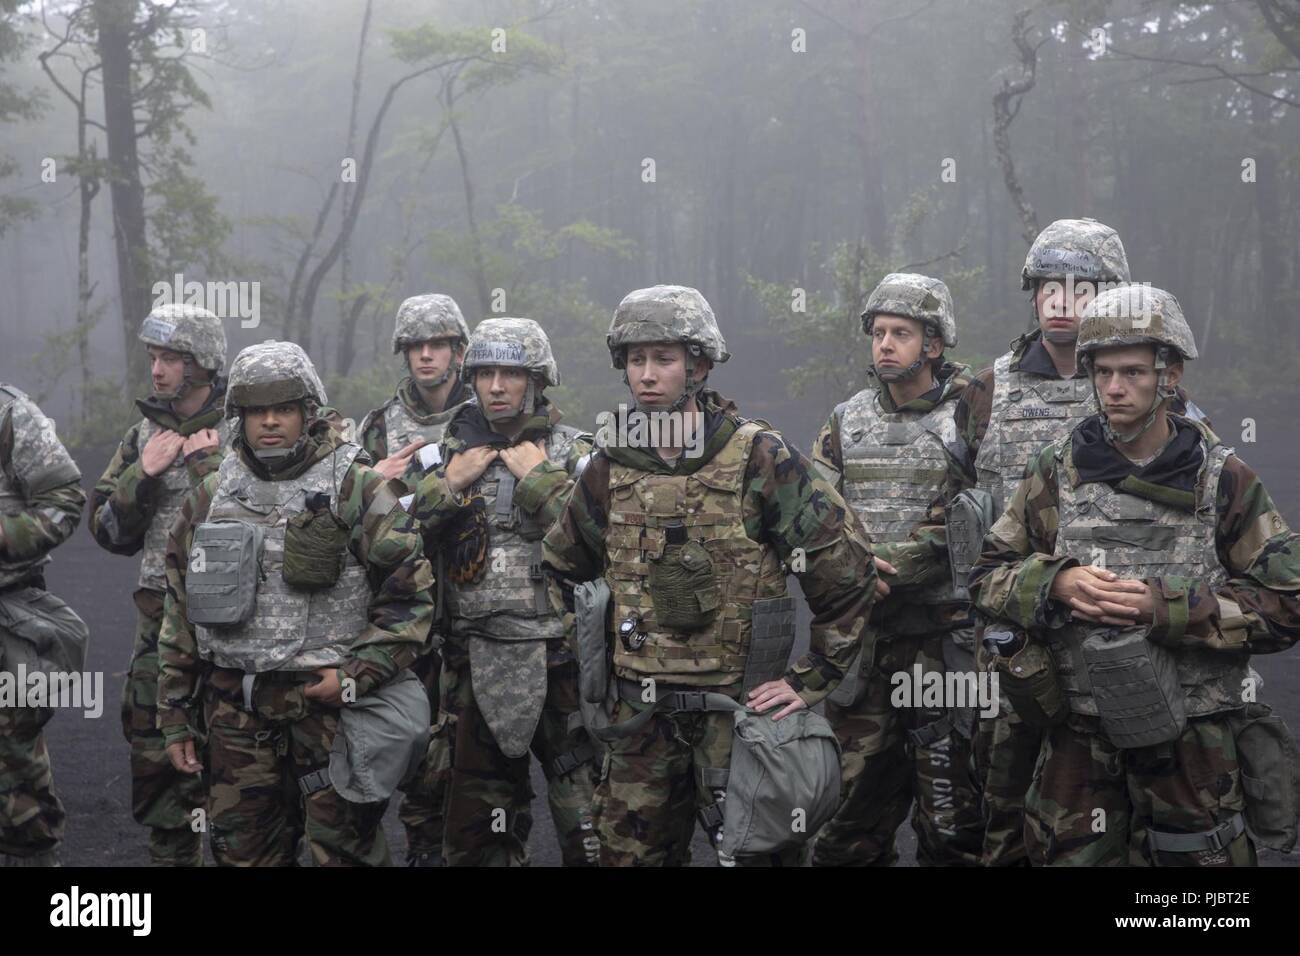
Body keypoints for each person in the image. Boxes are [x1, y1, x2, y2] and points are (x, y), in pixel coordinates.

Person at [542, 284, 884, 866]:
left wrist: (808, 680)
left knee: (759, 857)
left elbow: (844, 573)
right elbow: (560, 571)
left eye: (664, 359)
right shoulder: (608, 466)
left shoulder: (760, 458)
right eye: (635, 359)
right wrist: (590, 678)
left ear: (698, 366)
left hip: (743, 717)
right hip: (639, 724)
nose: (647, 374)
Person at [972, 284, 1300, 866]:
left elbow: (1286, 600)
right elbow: (986, 575)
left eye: (1132, 372)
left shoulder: (1221, 480)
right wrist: (1055, 582)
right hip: (1078, 739)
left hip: (1192, 742)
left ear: (1168, 374)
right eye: (1102, 373)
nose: (1115, 388)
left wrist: (1166, 609)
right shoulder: (1058, 470)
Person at [157, 340, 434, 865]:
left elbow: (410, 598)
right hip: (236, 713)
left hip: (329, 713)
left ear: (308, 412)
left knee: (344, 853)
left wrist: (354, 676)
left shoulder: (357, 486)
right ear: (238, 416)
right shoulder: (211, 496)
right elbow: (178, 612)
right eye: (256, 410)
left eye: (283, 408)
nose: (269, 422)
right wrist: (174, 715)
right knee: (244, 855)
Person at [808, 273, 983, 867]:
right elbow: (818, 508)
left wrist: (903, 561)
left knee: (955, 817)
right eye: (878, 333)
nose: (885, 344)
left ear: (933, 344)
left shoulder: (972, 412)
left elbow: (982, 503)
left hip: (946, 638)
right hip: (866, 638)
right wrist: (854, 568)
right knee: (845, 818)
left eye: (901, 334)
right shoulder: (845, 419)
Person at [409, 317, 598, 866]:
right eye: (485, 373)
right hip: (470, 666)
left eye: (510, 374)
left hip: (564, 667)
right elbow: (389, 548)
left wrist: (543, 482)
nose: (495, 387)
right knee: (476, 842)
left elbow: (606, 546)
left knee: (593, 834)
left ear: (536, 381)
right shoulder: (443, 457)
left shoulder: (577, 454)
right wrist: (447, 486)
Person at [88, 303, 227, 865]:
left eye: (171, 356)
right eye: (152, 356)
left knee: (248, 773)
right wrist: (140, 475)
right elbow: (107, 533)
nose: (158, 369)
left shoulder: (244, 427)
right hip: (158, 625)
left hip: (231, 625)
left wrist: (206, 467)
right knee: (158, 761)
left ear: (203, 363)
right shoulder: (143, 433)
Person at [358, 293, 474, 867]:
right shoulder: (378, 427)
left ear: (458, 350)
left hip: (478, 610)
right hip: (407, 613)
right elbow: (353, 520)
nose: (426, 356)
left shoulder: (489, 412)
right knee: (414, 756)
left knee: (480, 772)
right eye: (416, 347)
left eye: (438, 345)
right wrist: (375, 480)